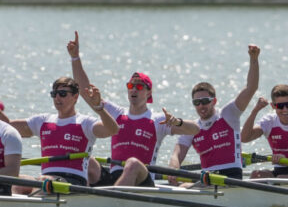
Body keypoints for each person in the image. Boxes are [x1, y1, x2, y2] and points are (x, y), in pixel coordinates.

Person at [69, 31, 200, 187]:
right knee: (85, 159)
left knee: (132, 164)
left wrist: (176, 122)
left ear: (149, 92)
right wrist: (75, 57)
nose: (133, 90)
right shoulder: (116, 113)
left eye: (139, 86)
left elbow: (195, 129)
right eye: (131, 86)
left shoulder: (158, 120)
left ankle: (111, 202)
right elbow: (85, 91)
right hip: (115, 176)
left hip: (141, 179)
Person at [0, 74, 119, 190]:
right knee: (15, 182)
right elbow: (8, 126)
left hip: (74, 182)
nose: (57, 98)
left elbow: (112, 130)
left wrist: (99, 108)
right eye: (54, 94)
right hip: (47, 180)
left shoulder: (86, 123)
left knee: (43, 181)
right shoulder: (43, 121)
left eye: (62, 94)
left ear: (75, 97)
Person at [168, 45, 260, 182]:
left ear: (214, 101)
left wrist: (254, 59)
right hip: (207, 179)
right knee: (180, 186)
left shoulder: (229, 114)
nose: (201, 106)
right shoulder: (192, 128)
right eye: (196, 103)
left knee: (185, 187)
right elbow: (176, 154)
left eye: (205, 101)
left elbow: (251, 88)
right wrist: (173, 169)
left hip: (231, 177)